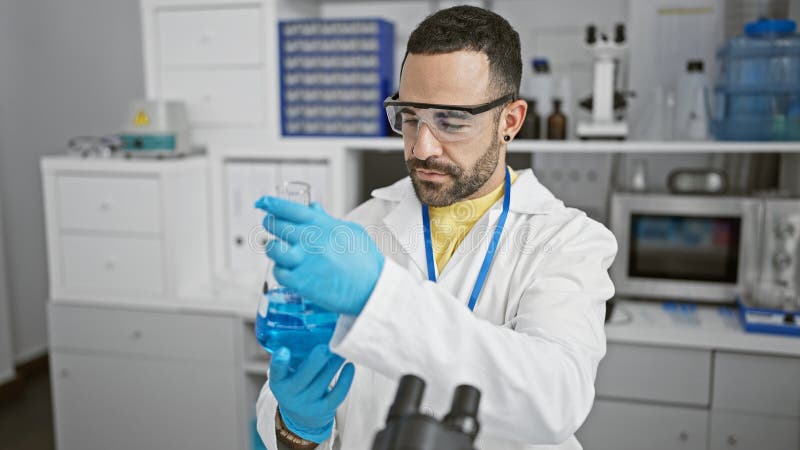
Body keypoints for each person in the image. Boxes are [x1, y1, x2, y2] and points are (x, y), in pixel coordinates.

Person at [255, 6, 617, 450]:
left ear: (510, 121)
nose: (422, 147)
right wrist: (296, 427)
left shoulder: (566, 241)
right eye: (410, 118)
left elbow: (555, 401)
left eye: (451, 120)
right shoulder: (358, 230)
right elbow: (288, 397)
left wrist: (377, 295)